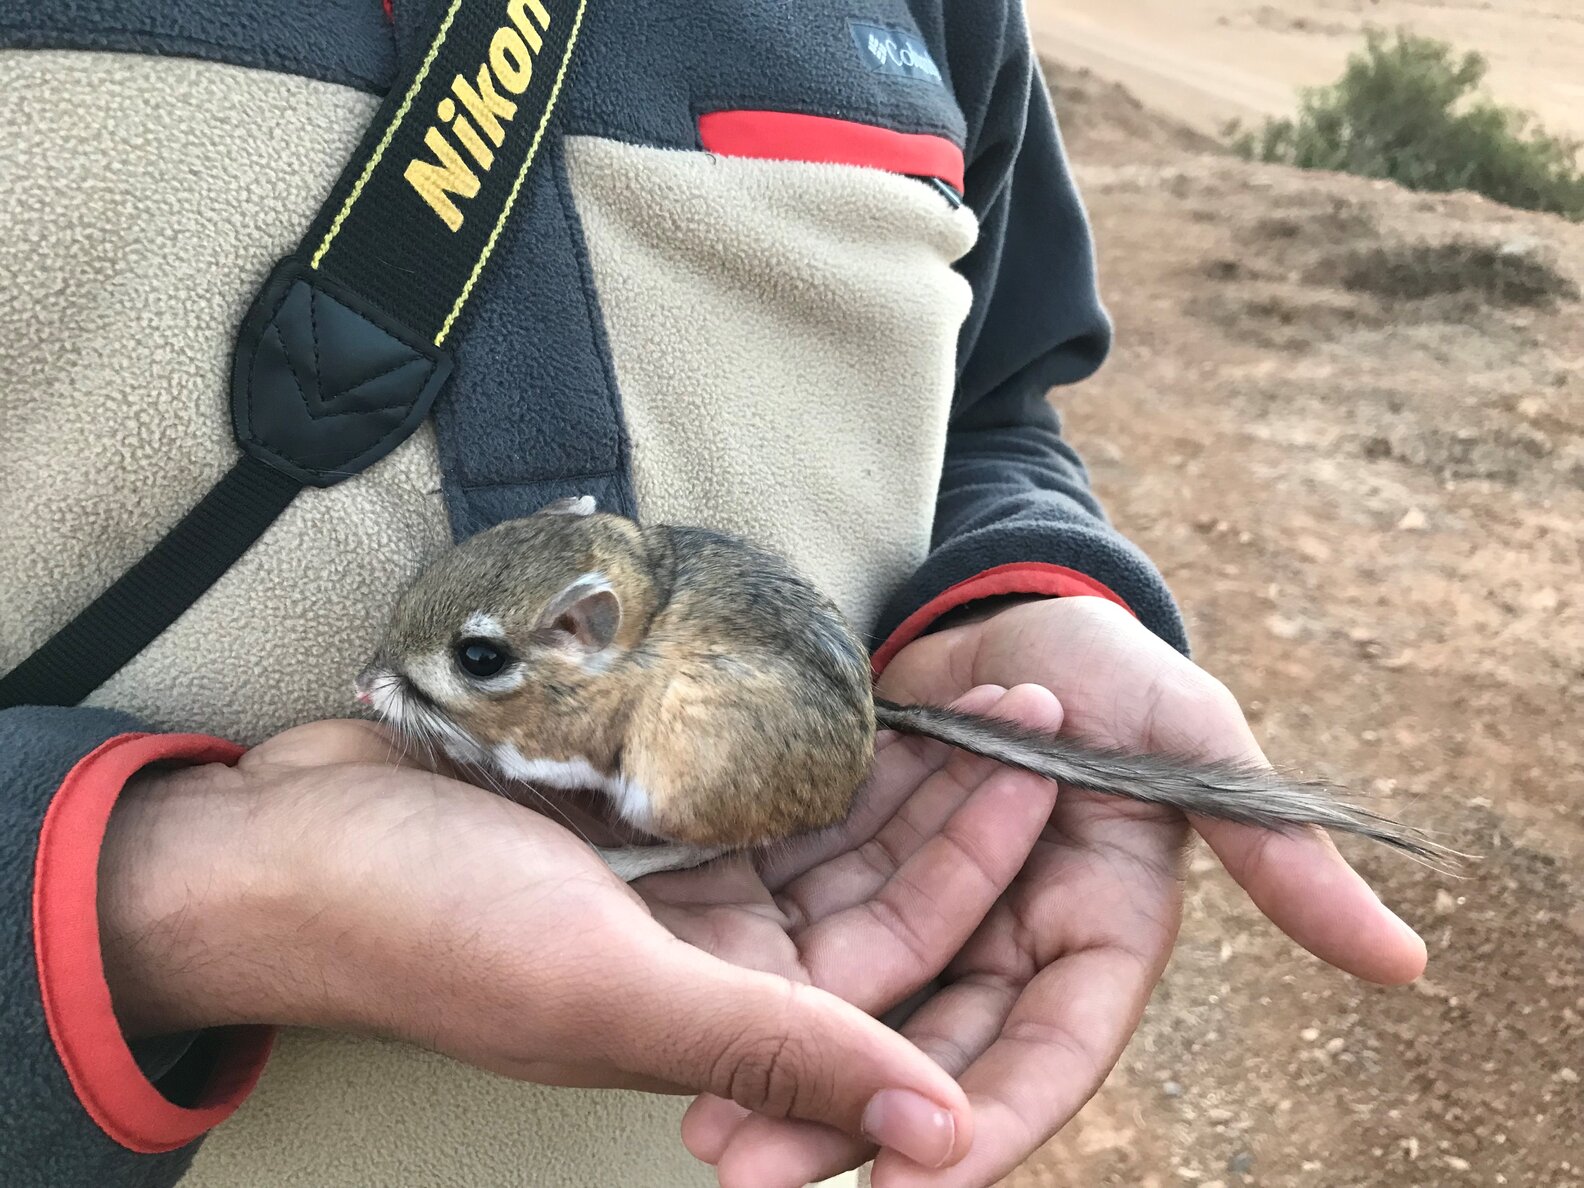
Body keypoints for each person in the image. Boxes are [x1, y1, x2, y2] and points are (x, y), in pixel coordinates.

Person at [0, 0, 1428, 1185]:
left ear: (585, 635)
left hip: (746, 1117)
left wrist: (1014, 592)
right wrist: (144, 897)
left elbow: (995, 406)